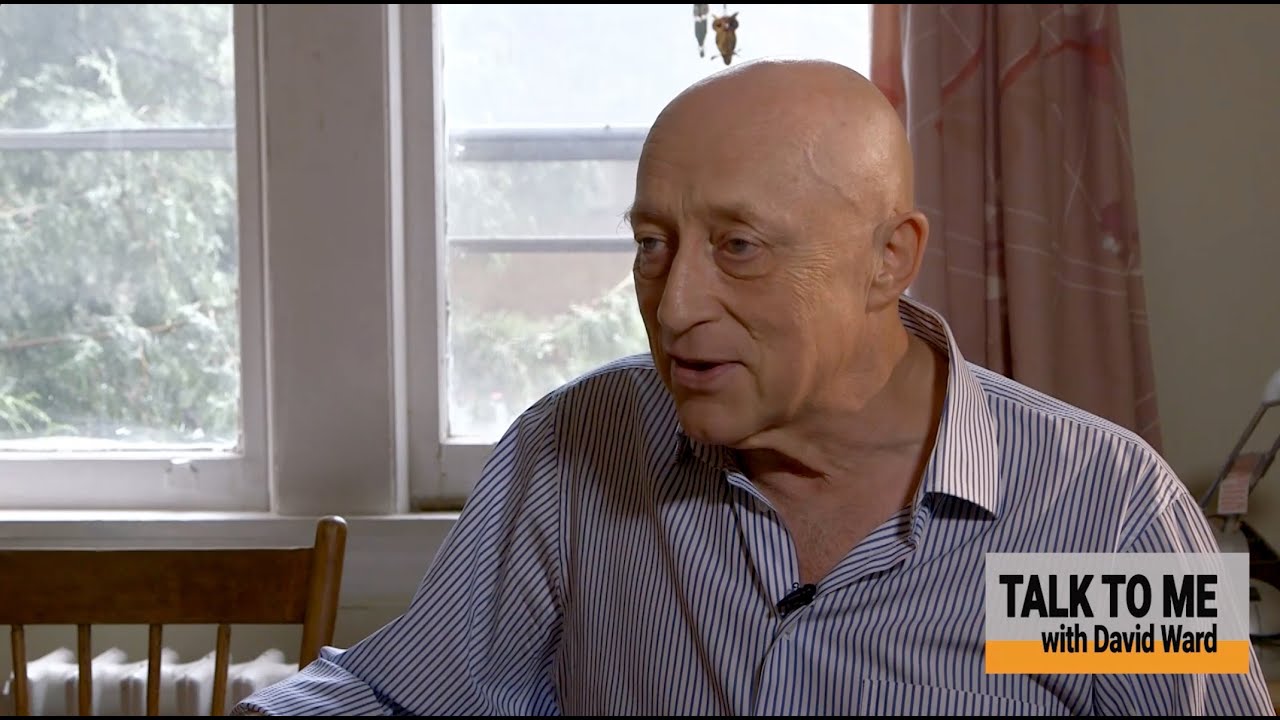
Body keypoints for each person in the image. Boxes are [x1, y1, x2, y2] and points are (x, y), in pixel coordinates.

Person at [234, 59, 1273, 716]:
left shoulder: (1101, 511)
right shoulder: (575, 448)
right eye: (652, 244)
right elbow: (400, 698)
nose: (676, 304)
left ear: (889, 259)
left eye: (739, 246)